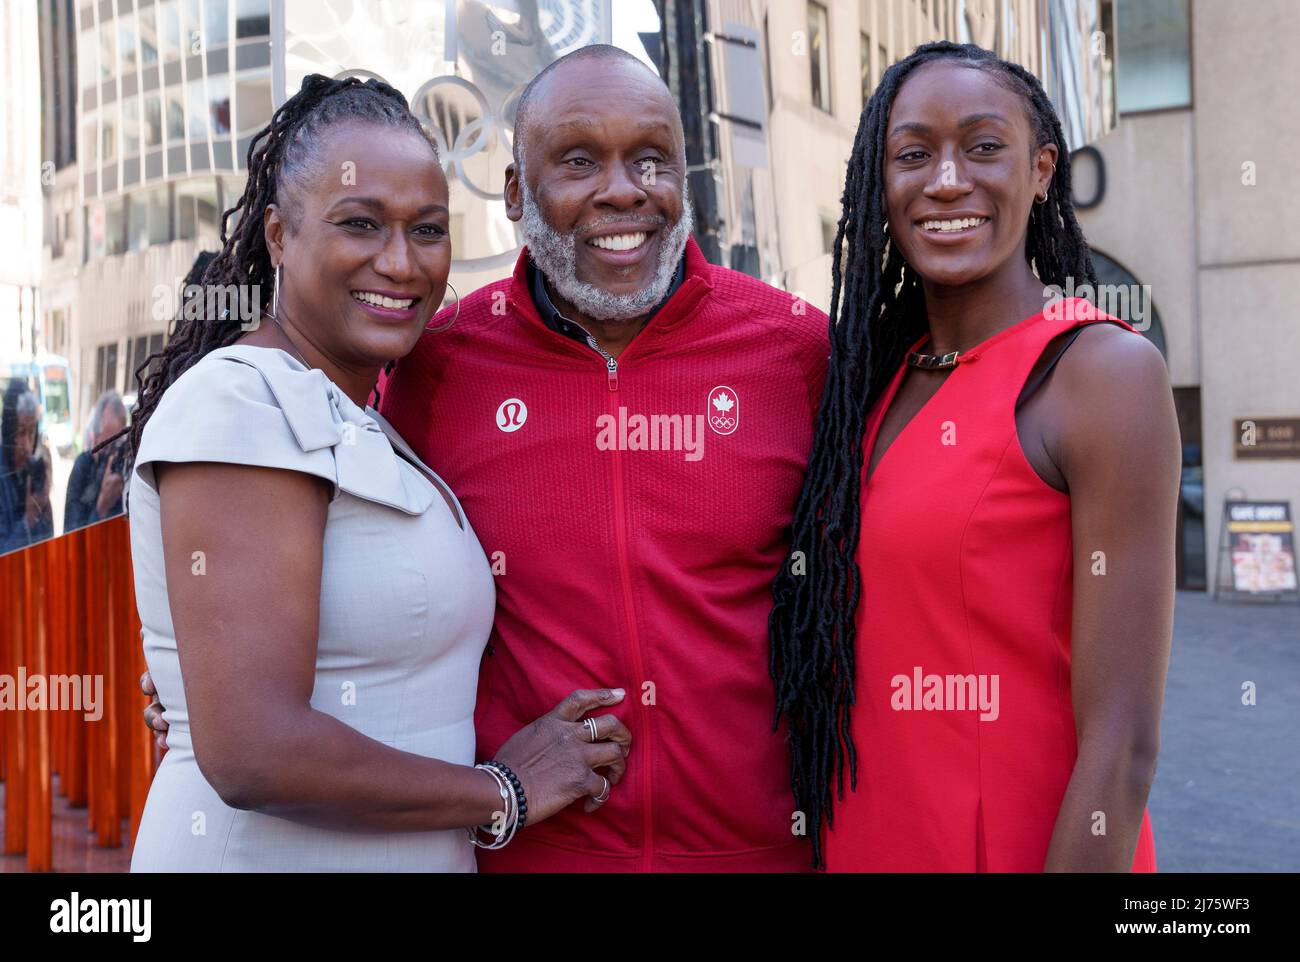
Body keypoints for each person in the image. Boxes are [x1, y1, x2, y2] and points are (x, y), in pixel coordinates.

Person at [121, 74, 629, 872]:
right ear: (280, 235)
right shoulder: (241, 401)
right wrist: (504, 792)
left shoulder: (366, 415)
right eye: (361, 224)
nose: (400, 262)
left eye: (427, 230)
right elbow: (254, 749)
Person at [374, 45, 829, 871]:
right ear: (516, 192)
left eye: (651, 159)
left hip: (765, 855)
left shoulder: (797, 350)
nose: (624, 190)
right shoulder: (433, 368)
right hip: (533, 858)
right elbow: (353, 576)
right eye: (580, 160)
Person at [768, 42, 1179, 871]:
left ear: (1040, 169)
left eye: (984, 146)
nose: (947, 180)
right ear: (878, 188)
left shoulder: (1101, 374)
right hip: (869, 841)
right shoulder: (870, 385)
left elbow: (1124, 742)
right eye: (912, 154)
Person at [64, 390, 128, 533]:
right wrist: (102, 505)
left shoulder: (123, 468)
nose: (112, 456)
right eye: (108, 445)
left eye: (118, 445)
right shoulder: (84, 466)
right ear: (96, 437)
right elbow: (71, 536)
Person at [1, 381, 53, 553]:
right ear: (9, 432)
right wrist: (29, 518)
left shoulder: (32, 470)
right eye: (21, 432)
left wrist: (45, 504)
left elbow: (48, 543)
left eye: (31, 432)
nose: (27, 444)